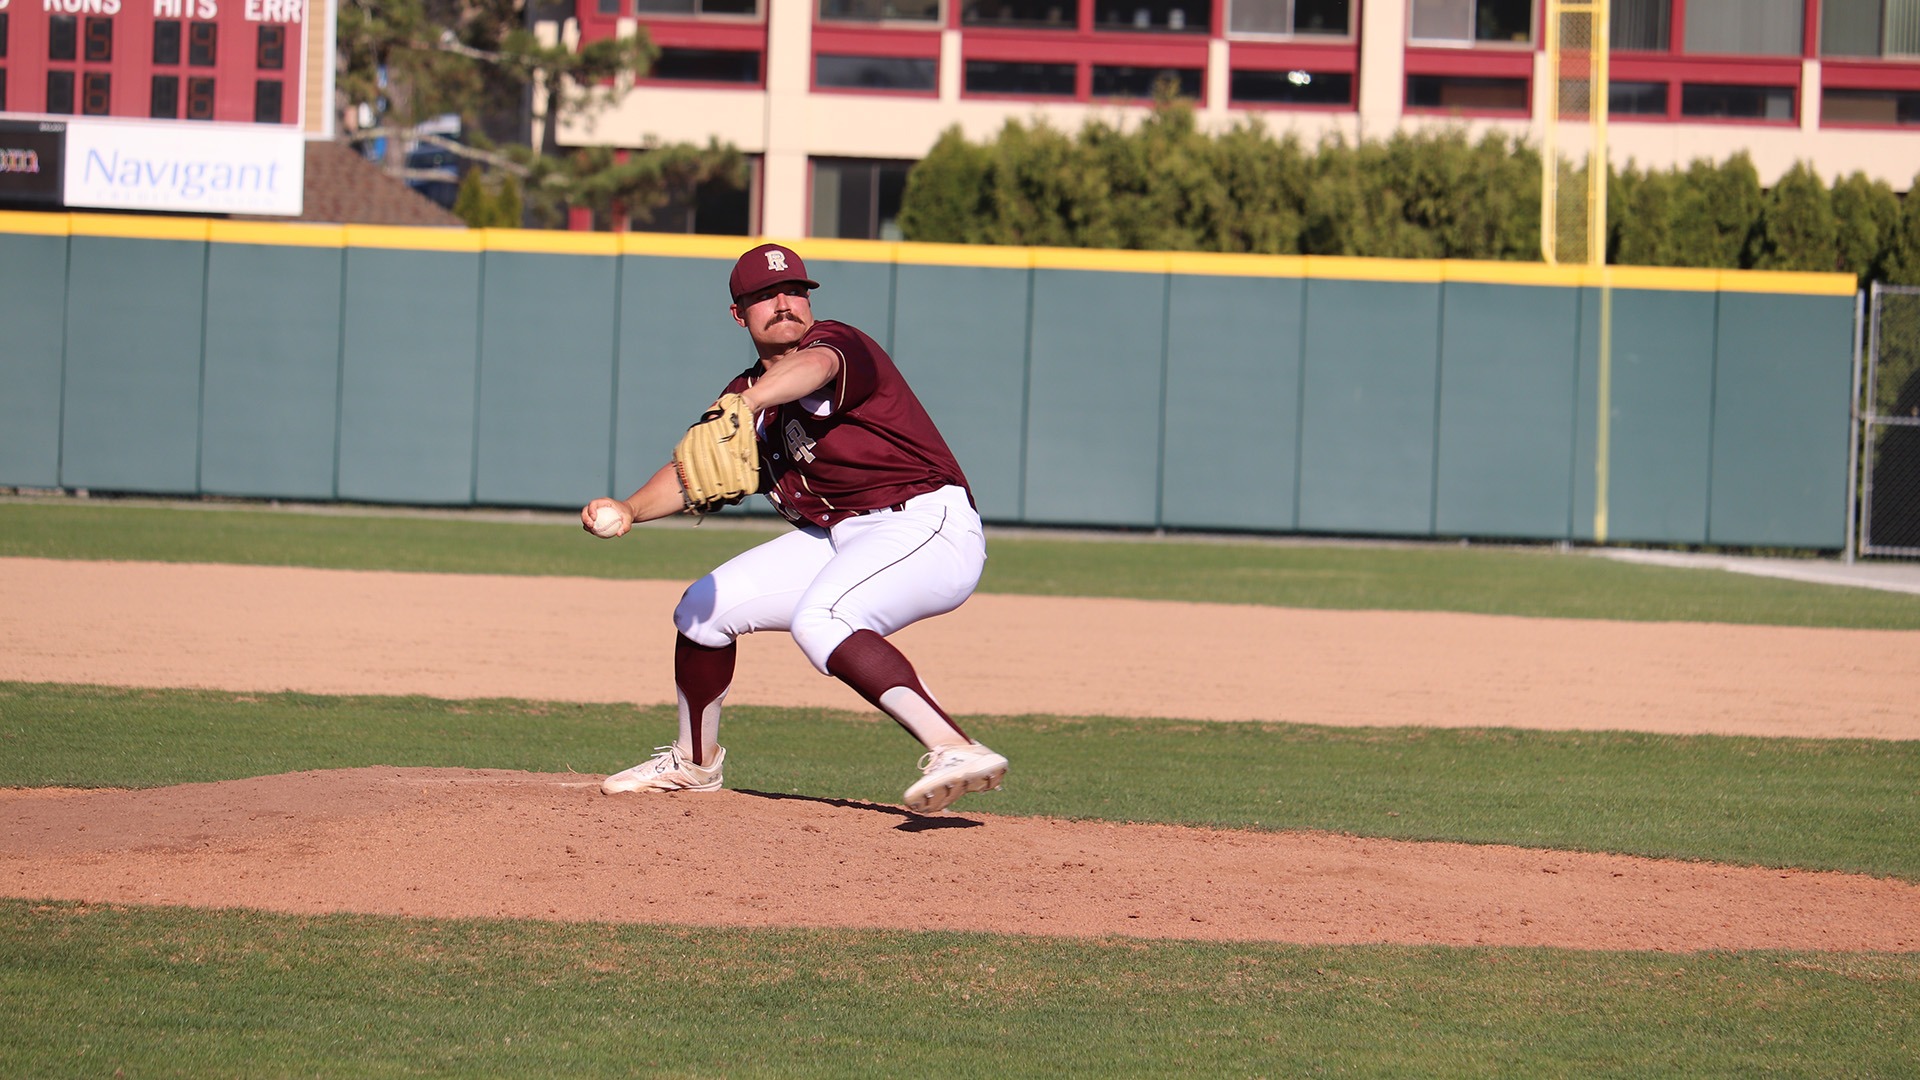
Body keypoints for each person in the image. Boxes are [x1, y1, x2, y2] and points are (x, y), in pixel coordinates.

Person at [580, 242, 1008, 814]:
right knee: (704, 609)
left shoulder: (835, 344)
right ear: (740, 314)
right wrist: (631, 508)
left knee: (823, 618)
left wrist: (750, 403)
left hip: (926, 523)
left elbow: (816, 368)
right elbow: (692, 472)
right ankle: (694, 764)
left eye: (794, 292)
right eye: (764, 296)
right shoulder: (743, 400)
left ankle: (954, 747)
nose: (783, 304)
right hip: (842, 536)